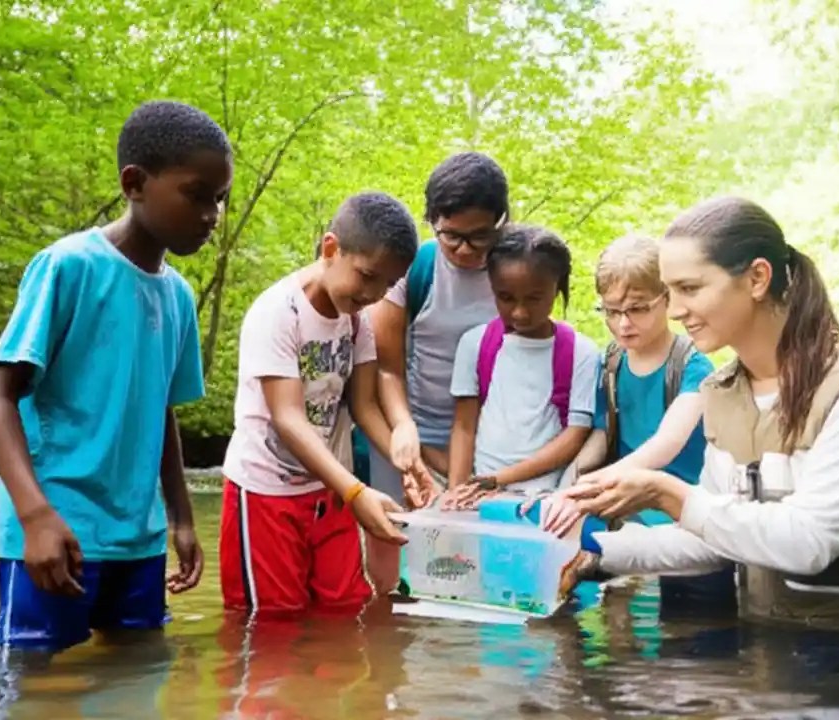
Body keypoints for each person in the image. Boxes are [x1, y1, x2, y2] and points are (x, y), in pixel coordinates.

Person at [562, 196, 839, 634]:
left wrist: (666, 493)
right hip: (770, 642)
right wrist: (594, 555)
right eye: (671, 292)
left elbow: (810, 541)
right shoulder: (722, 394)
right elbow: (711, 537)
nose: (677, 309)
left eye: (690, 288)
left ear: (757, 278)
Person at [0, 100, 229, 653]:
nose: (212, 214)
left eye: (220, 199)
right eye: (197, 194)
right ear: (135, 183)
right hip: (55, 532)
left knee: (134, 682)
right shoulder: (68, 267)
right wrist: (35, 515)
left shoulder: (179, 297)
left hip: (139, 538)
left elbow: (160, 411)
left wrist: (181, 519)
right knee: (35, 685)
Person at [218, 192, 424, 614]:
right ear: (331, 248)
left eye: (387, 284)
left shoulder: (356, 320)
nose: (373, 293)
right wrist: (355, 491)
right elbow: (288, 418)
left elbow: (364, 406)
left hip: (328, 490)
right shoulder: (279, 312)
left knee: (346, 613)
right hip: (266, 491)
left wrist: (410, 466)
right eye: (367, 276)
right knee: (273, 624)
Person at [534, 234, 735, 613]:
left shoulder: (692, 366)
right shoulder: (611, 362)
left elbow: (666, 444)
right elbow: (599, 435)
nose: (622, 324)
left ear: (668, 300)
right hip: (621, 505)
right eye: (611, 311)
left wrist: (586, 491)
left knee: (685, 633)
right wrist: (567, 488)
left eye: (638, 309)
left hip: (679, 513)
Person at [364, 151, 512, 505]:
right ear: (432, 220)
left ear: (501, 220)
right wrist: (403, 425)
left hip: (488, 442)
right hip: (410, 435)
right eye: (451, 236)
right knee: (398, 539)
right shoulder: (417, 265)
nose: (464, 250)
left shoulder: (517, 267)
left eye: (479, 236)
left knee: (467, 553)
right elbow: (387, 367)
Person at [440, 225, 600, 508]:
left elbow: (575, 436)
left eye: (534, 299)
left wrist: (499, 479)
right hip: (481, 496)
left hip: (545, 500)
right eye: (506, 297)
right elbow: (464, 426)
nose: (519, 312)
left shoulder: (581, 353)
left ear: (558, 287)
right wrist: (457, 492)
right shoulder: (475, 344)